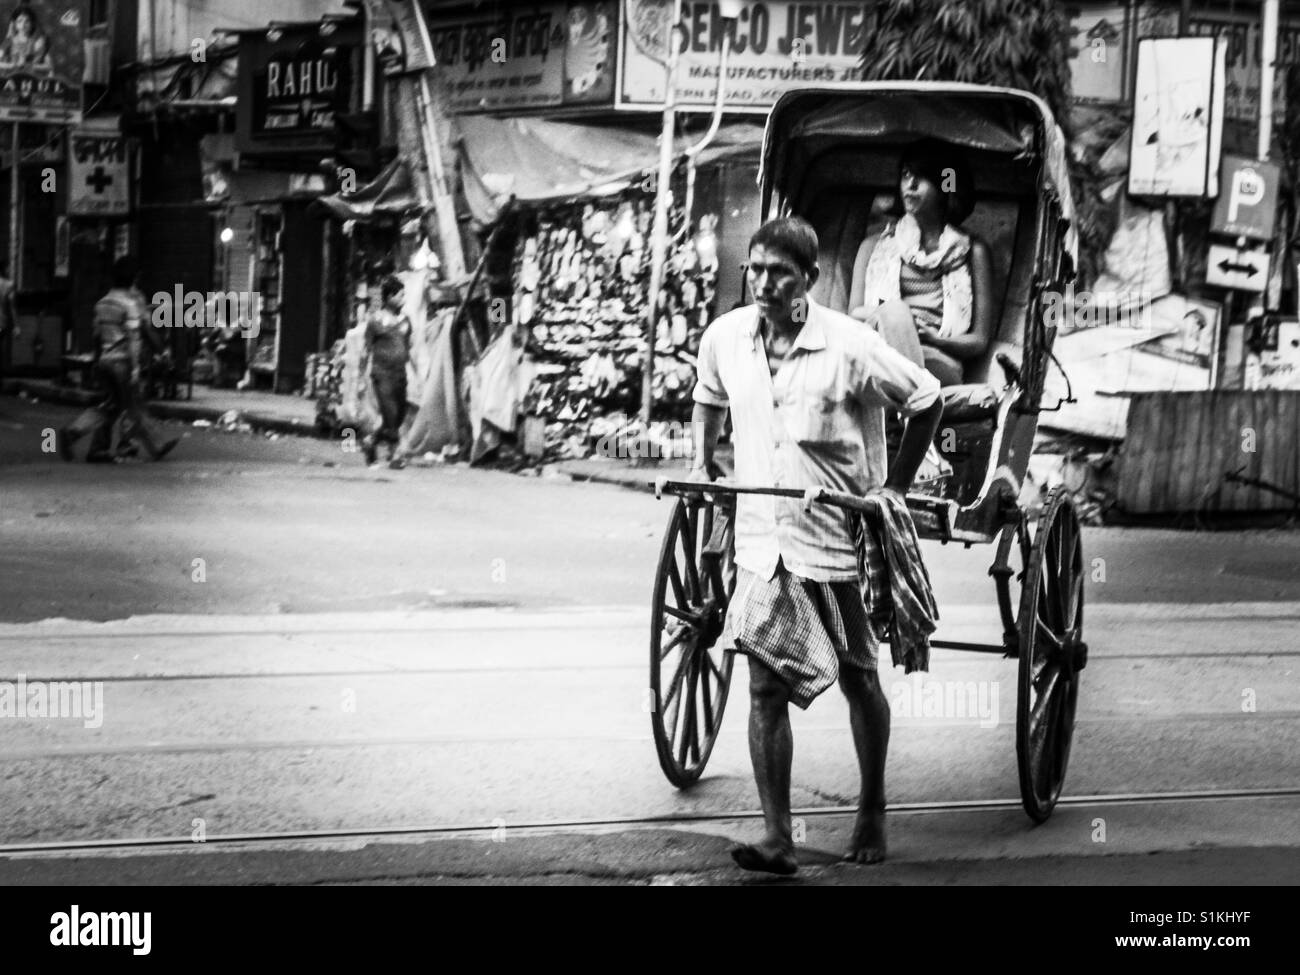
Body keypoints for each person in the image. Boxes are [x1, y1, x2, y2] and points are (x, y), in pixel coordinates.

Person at [691, 217, 942, 874]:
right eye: (756, 269)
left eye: (780, 272)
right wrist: (701, 459)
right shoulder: (725, 338)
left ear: (809, 278)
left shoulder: (851, 345)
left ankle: (873, 804)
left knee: (861, 677)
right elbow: (707, 398)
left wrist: (895, 489)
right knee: (763, 690)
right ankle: (778, 835)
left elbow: (927, 397)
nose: (765, 283)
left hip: (835, 543)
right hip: (763, 545)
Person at [849, 139, 994, 386]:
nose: (910, 185)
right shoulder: (873, 246)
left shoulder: (973, 251)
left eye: (922, 177)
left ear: (947, 185)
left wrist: (936, 339)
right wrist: (897, 322)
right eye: (906, 175)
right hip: (880, 353)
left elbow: (979, 340)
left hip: (938, 360)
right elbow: (853, 317)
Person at [59, 258, 179, 463]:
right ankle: (155, 445)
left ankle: (78, 436)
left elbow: (97, 335)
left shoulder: (102, 303)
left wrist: (97, 362)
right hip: (123, 362)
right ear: (134, 279)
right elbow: (135, 336)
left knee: (110, 406)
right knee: (134, 406)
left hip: (105, 360)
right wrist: (137, 367)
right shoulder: (130, 304)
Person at [362, 275, 412, 468]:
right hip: (381, 374)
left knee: (399, 415)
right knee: (390, 413)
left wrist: (415, 370)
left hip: (401, 374)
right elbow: (366, 350)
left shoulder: (406, 321)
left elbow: (408, 347)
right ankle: (395, 455)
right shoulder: (375, 321)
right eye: (400, 296)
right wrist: (361, 376)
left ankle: (371, 442)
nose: (403, 299)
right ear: (389, 297)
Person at [0, 5, 52, 70]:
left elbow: (49, 66)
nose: (23, 25)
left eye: (27, 21)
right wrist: (12, 65)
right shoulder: (8, 41)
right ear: (15, 24)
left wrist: (29, 65)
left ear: (32, 24)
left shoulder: (38, 42)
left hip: (32, 77)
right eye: (19, 21)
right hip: (11, 76)